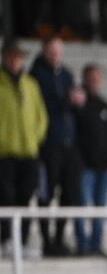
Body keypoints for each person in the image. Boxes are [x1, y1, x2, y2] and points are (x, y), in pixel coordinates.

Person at [28, 36, 81, 257]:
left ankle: (59, 237)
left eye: (58, 50)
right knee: (45, 193)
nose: (55, 54)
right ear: (43, 51)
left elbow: (72, 107)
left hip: (68, 143)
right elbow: (42, 107)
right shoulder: (36, 75)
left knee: (69, 193)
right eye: (51, 50)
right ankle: (46, 239)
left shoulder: (67, 74)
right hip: (47, 144)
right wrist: (66, 102)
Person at [0, 40, 48, 259]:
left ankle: (22, 239)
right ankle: (5, 239)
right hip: (5, 152)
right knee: (6, 197)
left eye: (19, 57)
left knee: (25, 197)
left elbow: (41, 116)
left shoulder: (30, 84)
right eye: (12, 56)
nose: (15, 61)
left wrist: (34, 137)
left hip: (28, 151)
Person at [73, 64, 107, 257]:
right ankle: (82, 244)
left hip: (103, 167)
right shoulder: (77, 104)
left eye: (97, 78)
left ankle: (96, 243)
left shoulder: (103, 105)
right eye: (91, 78)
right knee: (82, 204)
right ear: (84, 79)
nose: (94, 82)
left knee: (100, 207)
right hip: (84, 166)